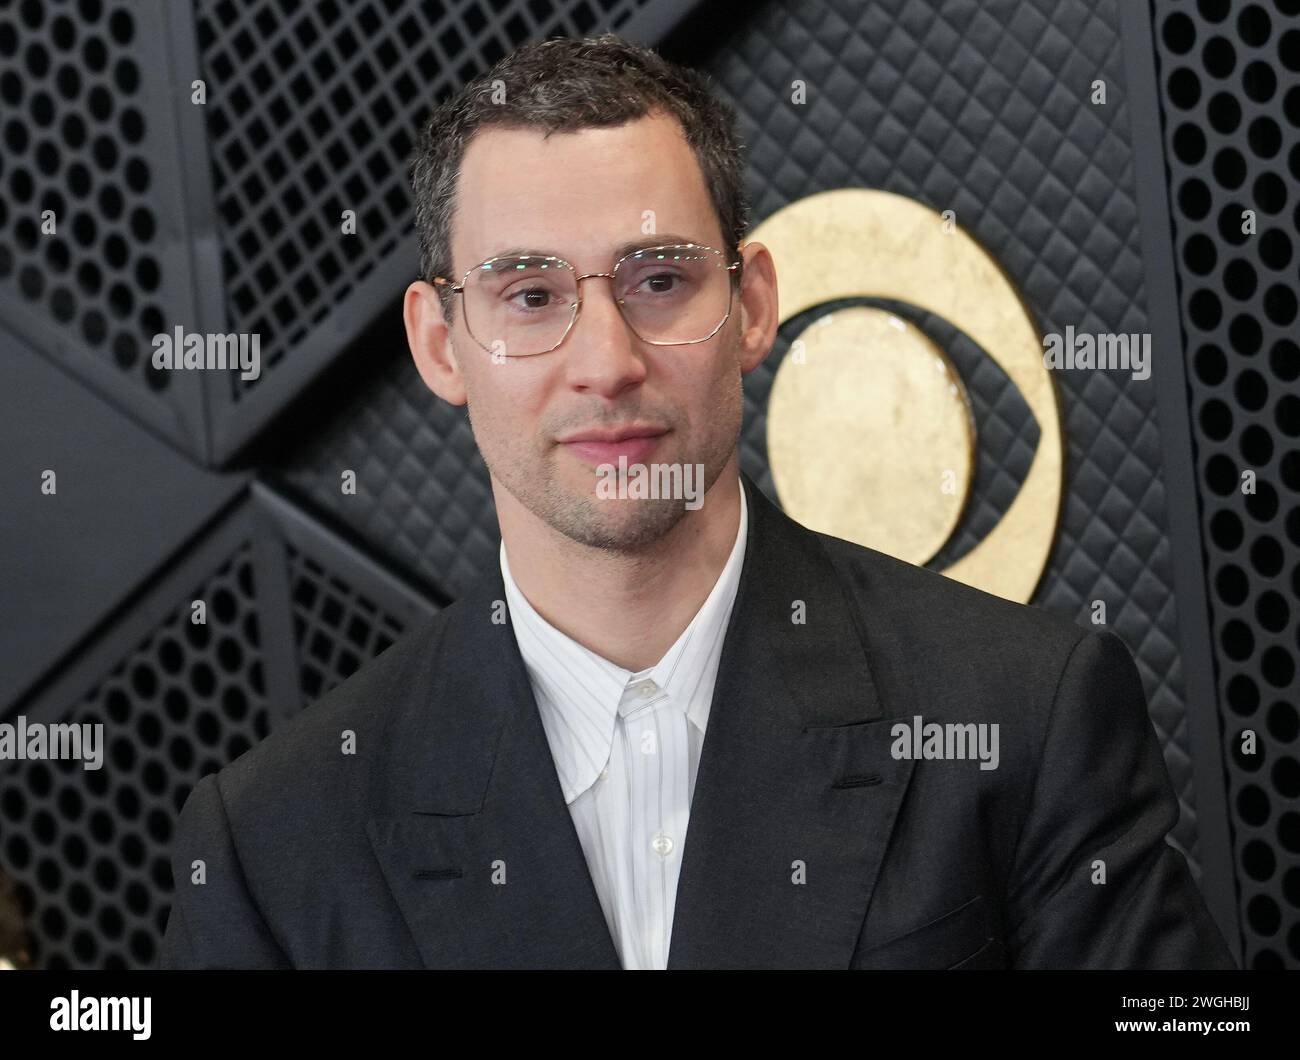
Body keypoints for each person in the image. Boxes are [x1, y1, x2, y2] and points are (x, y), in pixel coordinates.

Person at [159, 34, 1235, 970]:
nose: (606, 362)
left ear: (753, 305)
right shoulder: (274, 839)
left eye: (659, 279)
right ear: (441, 344)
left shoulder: (1026, 714)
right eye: (530, 295)